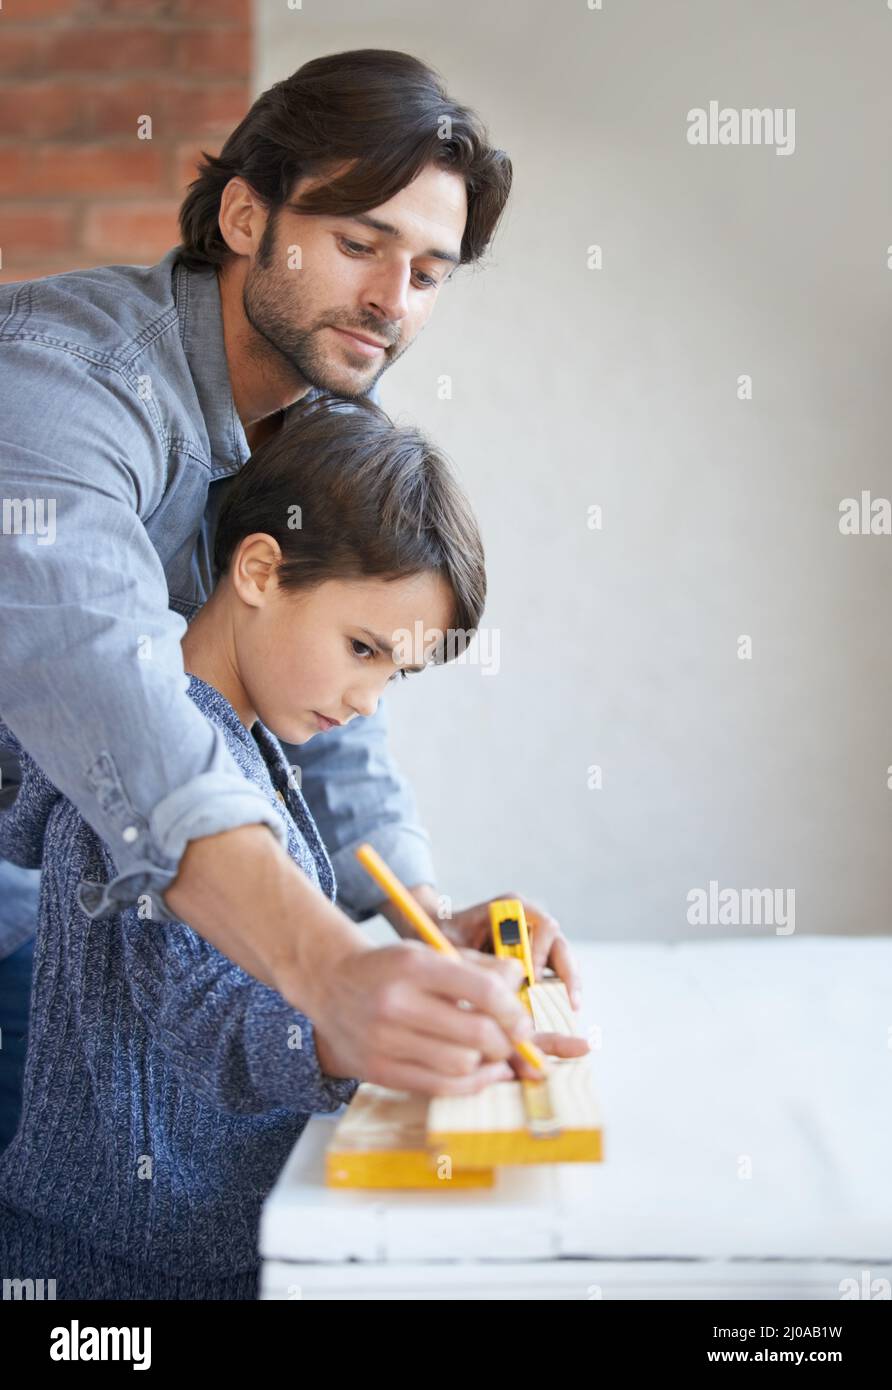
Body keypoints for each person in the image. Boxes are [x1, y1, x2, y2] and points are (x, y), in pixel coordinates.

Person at [0, 48, 581, 1153]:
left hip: (57, 911)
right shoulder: (57, 387)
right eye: (358, 243)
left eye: (427, 271)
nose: (387, 300)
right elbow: (118, 701)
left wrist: (412, 914)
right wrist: (334, 969)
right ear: (242, 217)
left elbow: (321, 704)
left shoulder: (323, 422)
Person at [0, 395, 587, 1300]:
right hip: (119, 1276)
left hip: (212, 1243)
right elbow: (203, 1010)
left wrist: (426, 941)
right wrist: (363, 1038)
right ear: (261, 571)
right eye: (362, 648)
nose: (366, 701)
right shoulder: (150, 771)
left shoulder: (248, 743)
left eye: (395, 673)